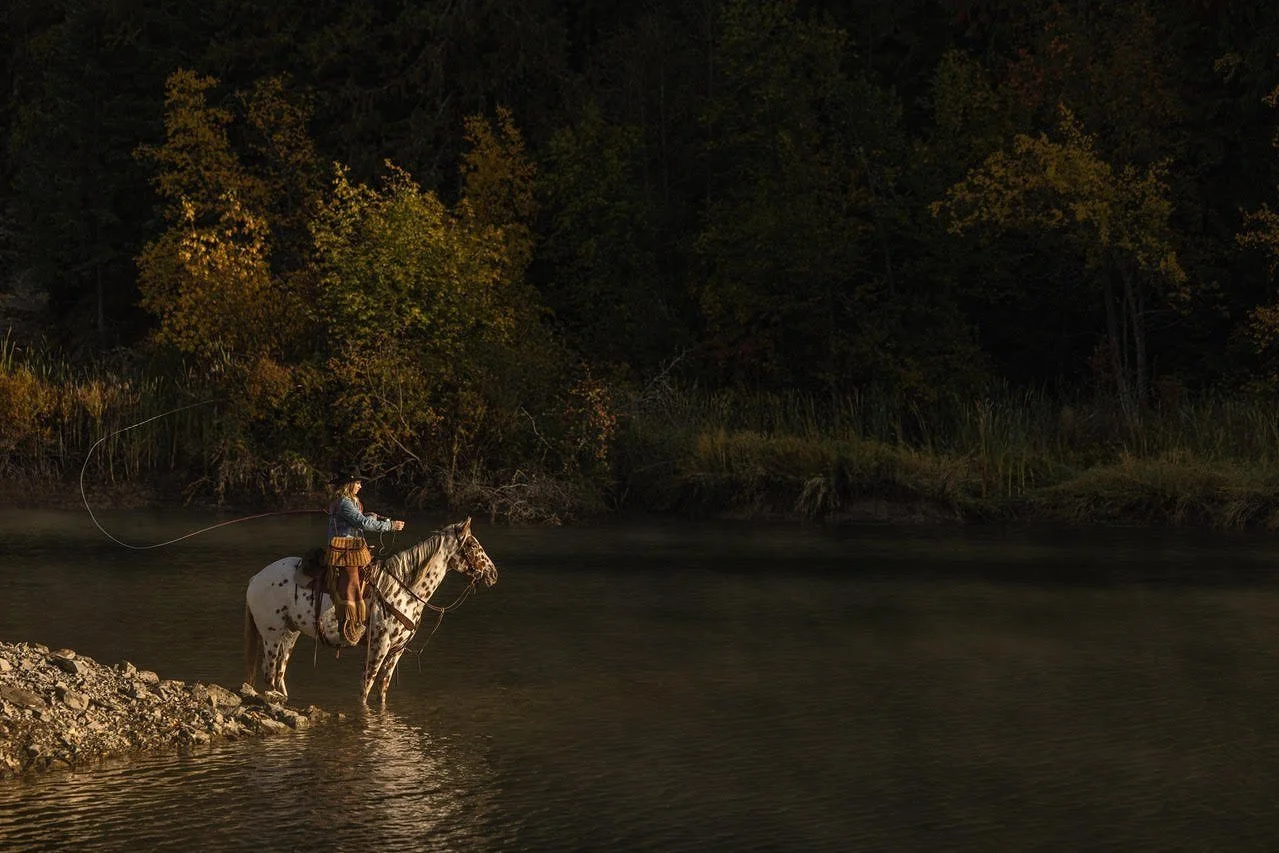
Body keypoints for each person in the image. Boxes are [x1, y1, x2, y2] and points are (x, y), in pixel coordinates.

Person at [325, 469, 406, 644]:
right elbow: (362, 523)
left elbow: (361, 519)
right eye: (358, 483)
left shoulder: (351, 502)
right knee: (352, 577)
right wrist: (390, 525)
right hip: (343, 548)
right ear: (348, 484)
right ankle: (348, 622)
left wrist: (374, 517)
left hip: (354, 546)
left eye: (360, 483)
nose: (360, 486)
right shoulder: (344, 503)